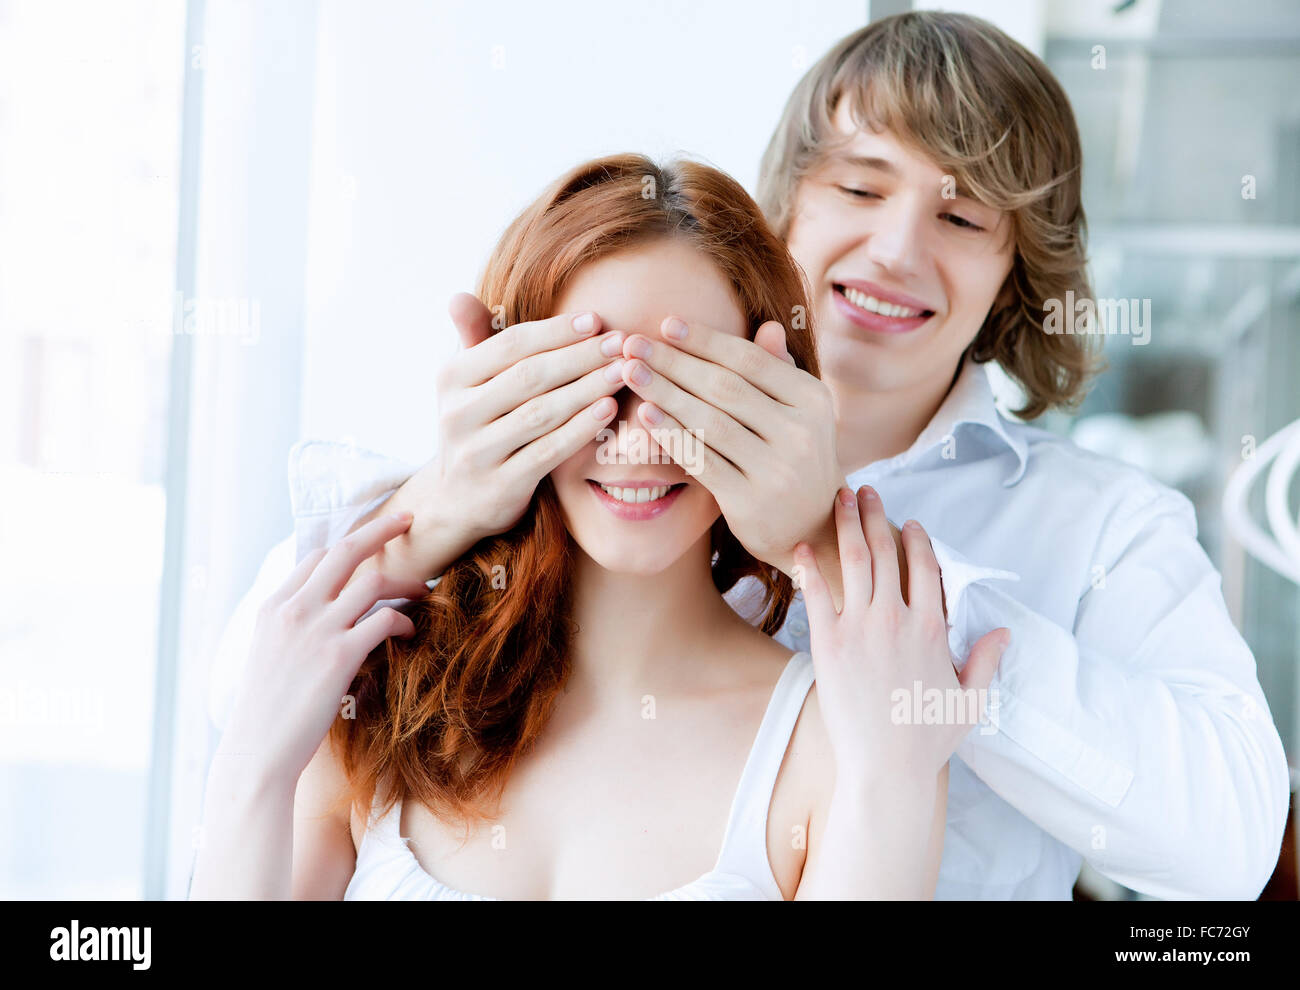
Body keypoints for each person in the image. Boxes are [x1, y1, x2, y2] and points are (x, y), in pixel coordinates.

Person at [207, 11, 1290, 899]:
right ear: (781, 214)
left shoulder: (1101, 527)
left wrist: (833, 540)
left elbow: (1229, 851)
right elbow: (258, 705)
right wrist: (433, 515)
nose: (898, 249)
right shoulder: (587, 466)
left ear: (1016, 274)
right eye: (860, 190)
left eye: (963, 218)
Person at [190, 154, 1006, 900]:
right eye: (587, 385)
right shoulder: (375, 694)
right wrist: (254, 764)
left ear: (775, 400)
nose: (642, 437)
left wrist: (893, 775)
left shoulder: (850, 739)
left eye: (692, 388)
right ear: (508, 387)